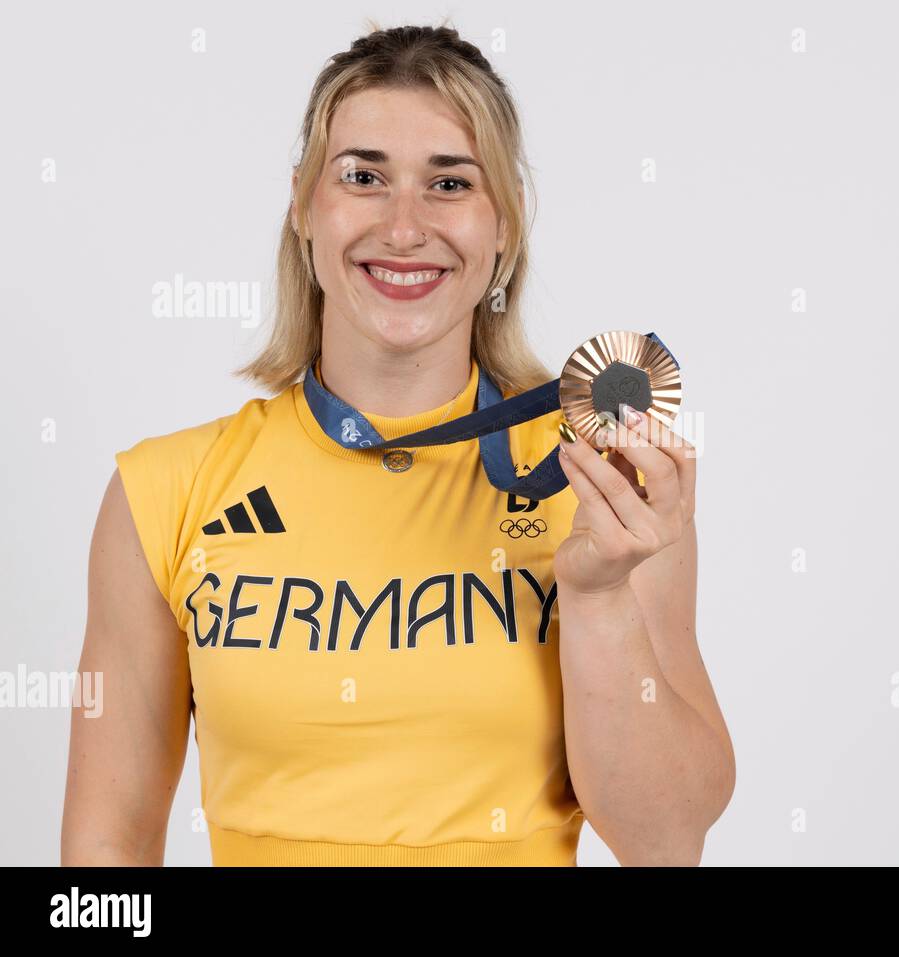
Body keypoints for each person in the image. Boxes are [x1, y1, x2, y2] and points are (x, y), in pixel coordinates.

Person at [61, 22, 734, 867]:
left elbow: (666, 840)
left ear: (504, 229)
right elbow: (103, 855)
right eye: (362, 176)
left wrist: (598, 597)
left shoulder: (602, 479)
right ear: (305, 208)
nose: (404, 226)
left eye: (450, 182)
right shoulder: (161, 492)